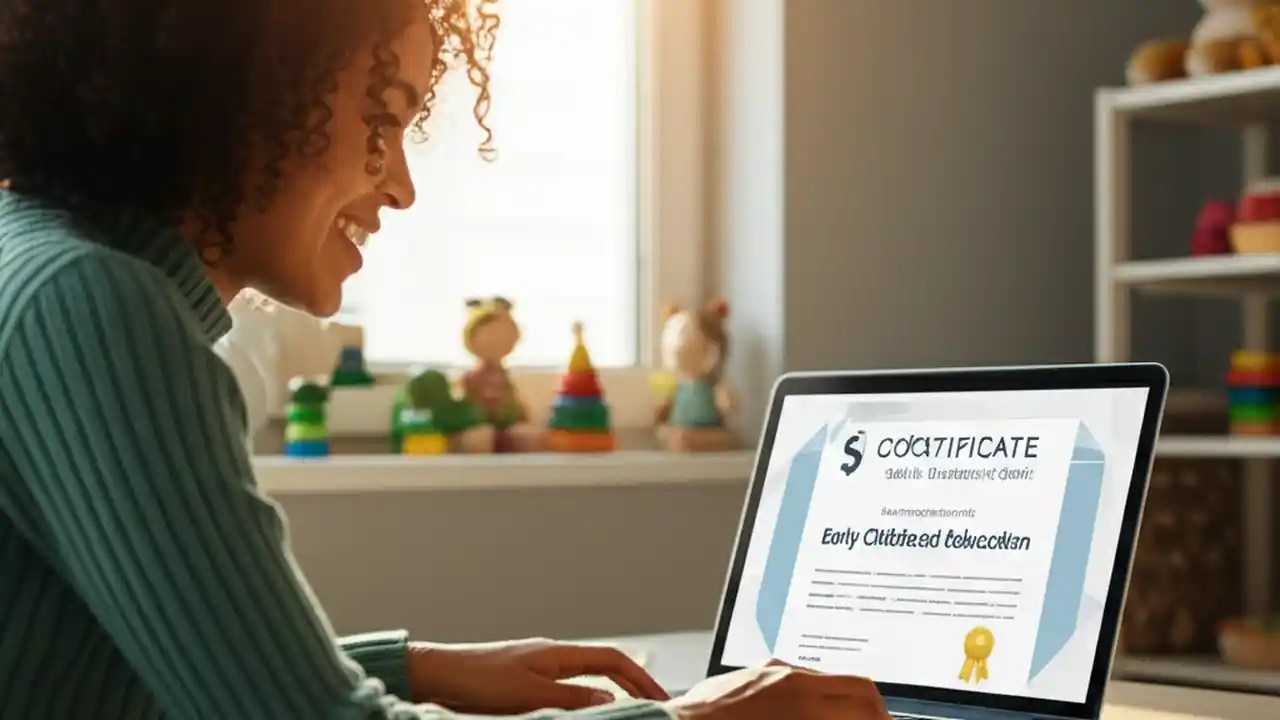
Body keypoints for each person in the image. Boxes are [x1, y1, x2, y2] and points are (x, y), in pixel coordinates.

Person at [0, 1, 890, 719]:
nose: (402, 185)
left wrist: (414, 668)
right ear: (243, 93)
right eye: (381, 122)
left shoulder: (38, 261)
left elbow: (148, 667)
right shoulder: (94, 306)